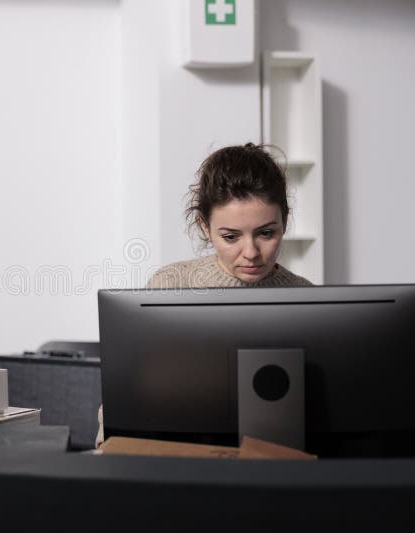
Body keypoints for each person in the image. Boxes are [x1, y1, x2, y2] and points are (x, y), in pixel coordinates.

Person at [95, 142, 312, 448]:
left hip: (276, 456)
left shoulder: (305, 297)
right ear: (205, 227)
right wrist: (108, 450)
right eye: (231, 237)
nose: (251, 252)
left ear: (285, 222)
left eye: (266, 233)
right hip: (182, 454)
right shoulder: (170, 285)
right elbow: (128, 390)